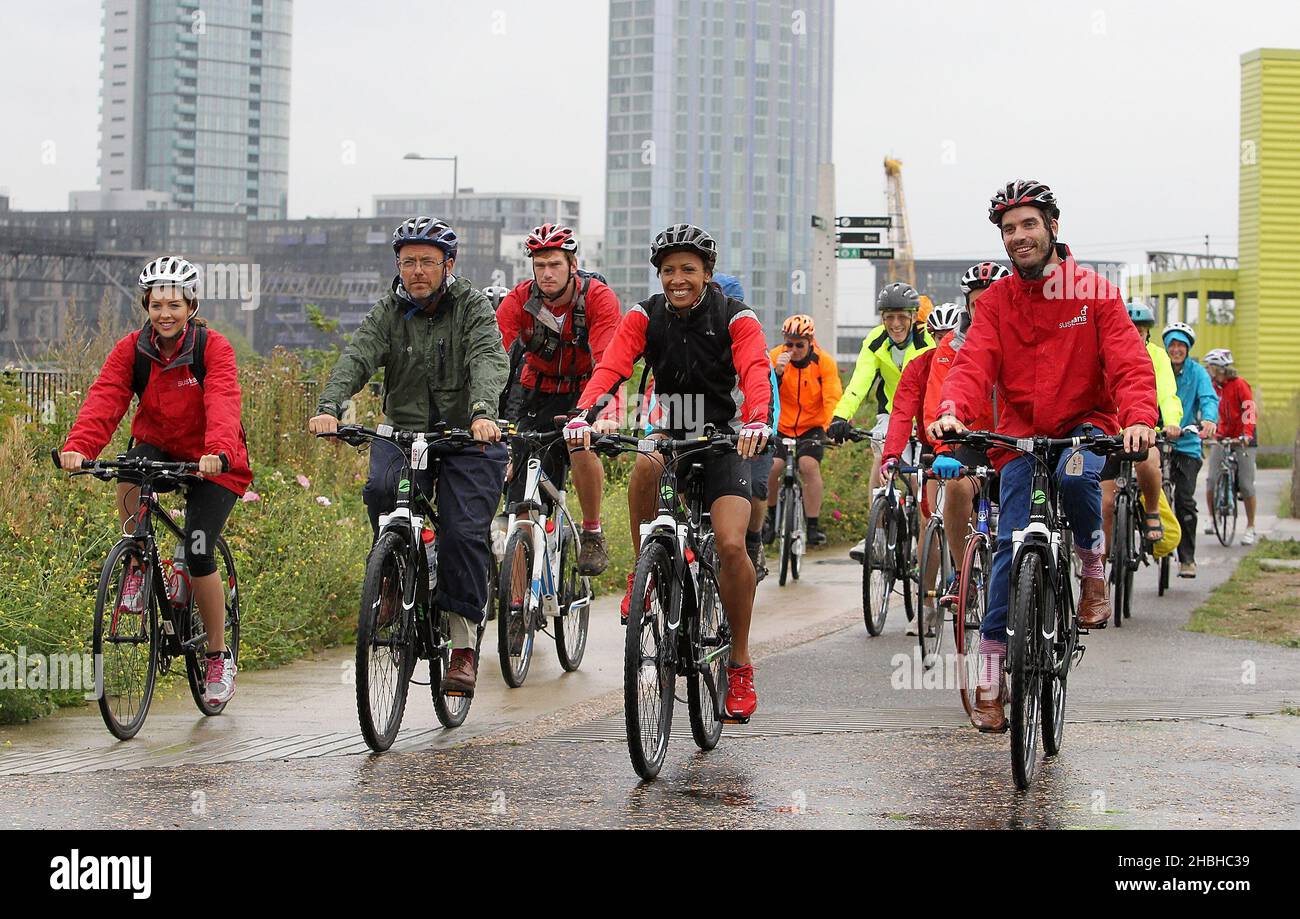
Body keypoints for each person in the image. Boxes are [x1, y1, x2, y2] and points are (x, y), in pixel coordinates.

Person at [929, 179, 1157, 733]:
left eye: (1028, 224)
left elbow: (1128, 360)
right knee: (1008, 544)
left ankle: (1092, 570)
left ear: (1053, 227)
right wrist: (954, 408)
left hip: (1084, 426)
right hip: (1018, 436)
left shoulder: (1093, 291)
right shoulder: (1000, 302)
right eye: (1009, 230)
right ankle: (990, 672)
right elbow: (973, 363)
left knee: (1078, 479)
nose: (1018, 237)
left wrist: (1138, 419)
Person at [565, 224, 772, 722]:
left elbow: (755, 372)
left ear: (706, 273)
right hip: (671, 430)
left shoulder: (735, 316)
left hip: (723, 436)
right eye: (668, 271)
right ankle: (646, 574)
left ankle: (740, 664)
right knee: (646, 459)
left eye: (688, 270)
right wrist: (586, 413)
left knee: (728, 545)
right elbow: (611, 367)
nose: (677, 279)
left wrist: (759, 421)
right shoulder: (645, 315)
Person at [309, 217, 508, 698]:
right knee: (381, 492)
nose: (417, 271)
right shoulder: (388, 311)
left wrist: (483, 412)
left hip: (468, 437)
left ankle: (462, 646)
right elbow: (357, 356)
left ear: (448, 265)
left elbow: (488, 359)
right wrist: (329, 406)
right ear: (398, 265)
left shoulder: (474, 307)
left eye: (427, 262)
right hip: (403, 433)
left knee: (463, 531)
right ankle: (395, 576)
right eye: (408, 262)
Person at [60, 255, 253, 707]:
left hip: (215, 461)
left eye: (175, 304)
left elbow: (224, 399)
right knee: (128, 466)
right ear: (146, 305)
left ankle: (217, 657)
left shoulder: (212, 348)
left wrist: (218, 453)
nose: (165, 313)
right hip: (159, 448)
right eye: (156, 304)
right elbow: (105, 397)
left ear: (190, 304)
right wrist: (80, 447)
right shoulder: (132, 349)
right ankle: (137, 562)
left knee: (200, 550)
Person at [496, 223, 621, 575]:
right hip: (538, 391)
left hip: (587, 389)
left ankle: (592, 530)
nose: (546, 273)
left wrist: (606, 410)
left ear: (572, 264)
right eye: (540, 266)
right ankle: (517, 607)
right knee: (522, 508)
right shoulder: (520, 300)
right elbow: (491, 357)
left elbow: (609, 359)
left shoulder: (597, 298)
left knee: (580, 445)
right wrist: (481, 411)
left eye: (554, 264)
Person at [925, 263, 1012, 607]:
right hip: (973, 439)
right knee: (957, 487)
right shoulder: (953, 343)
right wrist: (944, 446)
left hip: (1017, 440)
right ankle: (964, 574)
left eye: (993, 302)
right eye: (977, 304)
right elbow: (938, 395)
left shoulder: (1025, 333)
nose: (984, 311)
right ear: (967, 306)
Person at [828, 282, 935, 561]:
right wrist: (841, 415)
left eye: (902, 317)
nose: (896, 324)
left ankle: (922, 539)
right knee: (881, 457)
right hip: (891, 414)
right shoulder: (875, 340)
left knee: (916, 480)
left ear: (914, 317)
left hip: (924, 415)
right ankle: (874, 534)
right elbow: (859, 382)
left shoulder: (928, 342)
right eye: (889, 317)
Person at [880, 301, 964, 636]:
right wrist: (891, 455)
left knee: (978, 518)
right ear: (931, 335)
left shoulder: (978, 361)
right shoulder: (919, 366)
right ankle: (926, 604)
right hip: (933, 447)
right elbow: (901, 413)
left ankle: (973, 577)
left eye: (951, 334)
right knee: (929, 522)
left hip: (974, 444)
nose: (946, 341)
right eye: (939, 335)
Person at [1099, 303, 1185, 552]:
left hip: (1147, 429)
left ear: (1148, 332)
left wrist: (1171, 423)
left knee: (1148, 461)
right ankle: (1098, 576)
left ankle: (1152, 510)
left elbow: (1168, 392)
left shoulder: (1158, 356)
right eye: (1131, 328)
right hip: (1112, 434)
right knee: (1104, 504)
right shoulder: (1106, 350)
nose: (1136, 334)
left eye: (1141, 330)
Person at [764, 314, 842, 548]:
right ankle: (770, 517)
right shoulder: (775, 357)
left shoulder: (823, 362)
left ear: (810, 342)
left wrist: (831, 429)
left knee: (808, 465)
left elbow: (832, 396)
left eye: (800, 345)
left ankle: (813, 525)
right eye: (790, 344)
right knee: (774, 466)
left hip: (812, 426)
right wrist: (776, 374)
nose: (794, 349)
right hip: (782, 425)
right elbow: (765, 393)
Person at [1163, 323, 1219, 577]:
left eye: (1181, 345)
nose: (1176, 350)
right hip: (1158, 440)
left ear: (1187, 348)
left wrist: (1208, 420)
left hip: (1187, 444)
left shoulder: (1198, 373)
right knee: (1140, 492)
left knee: (1185, 501)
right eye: (1172, 345)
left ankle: (1187, 558)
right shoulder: (1158, 369)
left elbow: (1208, 398)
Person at [1205, 349, 1259, 545]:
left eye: (1210, 367)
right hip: (1221, 437)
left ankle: (1250, 527)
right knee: (1211, 479)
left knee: (1245, 484)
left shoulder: (1239, 385)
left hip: (1244, 438)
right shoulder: (1212, 387)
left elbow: (1249, 410)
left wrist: (1247, 434)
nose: (1208, 370)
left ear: (1220, 369)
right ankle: (1212, 518)